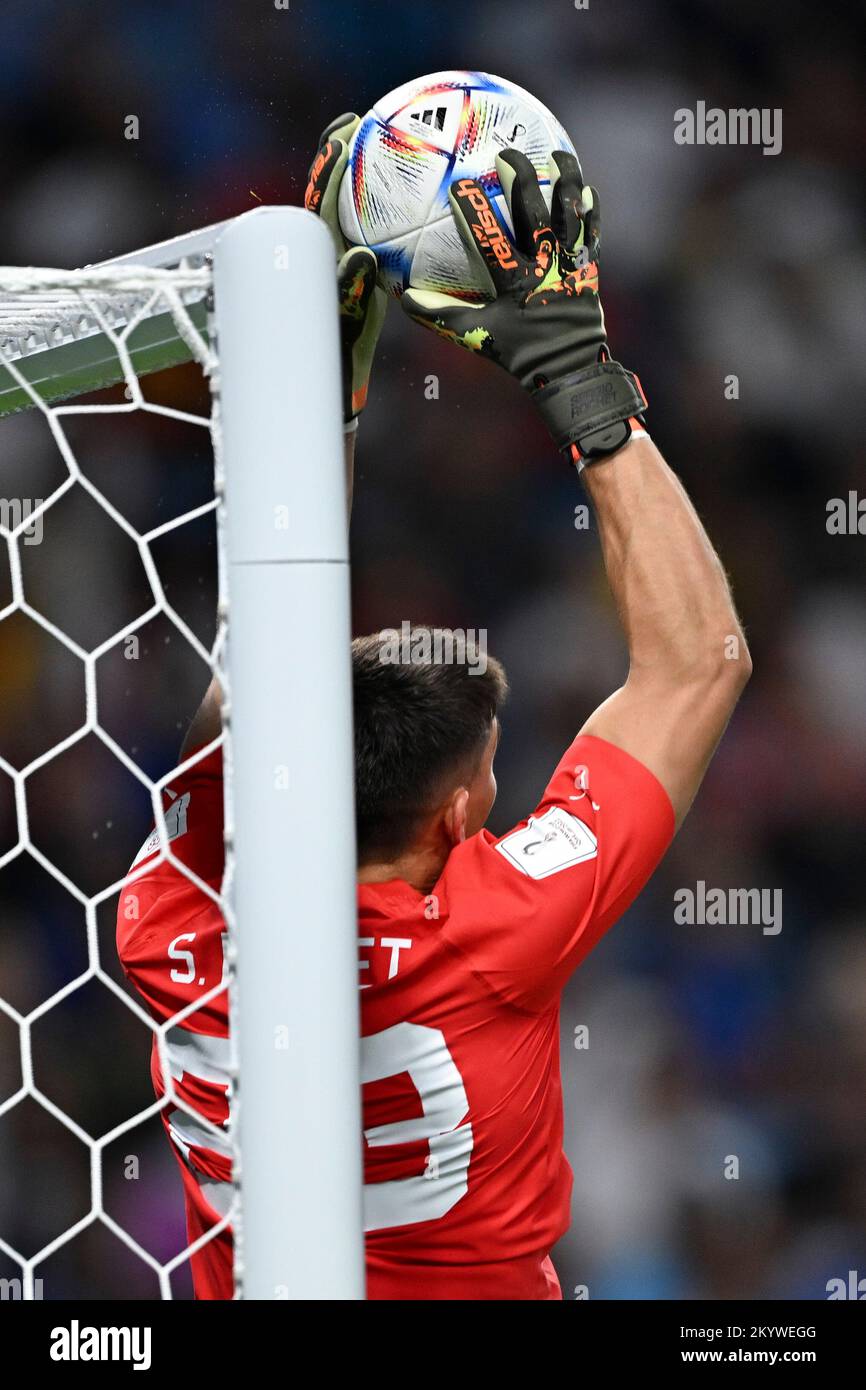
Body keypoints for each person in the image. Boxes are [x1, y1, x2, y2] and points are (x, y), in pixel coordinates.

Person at [116, 116, 751, 1300]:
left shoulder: (170, 922)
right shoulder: (495, 931)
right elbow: (696, 663)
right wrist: (574, 370)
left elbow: (242, 710)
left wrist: (318, 401)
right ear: (460, 816)